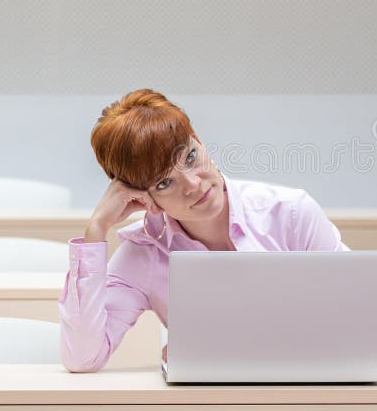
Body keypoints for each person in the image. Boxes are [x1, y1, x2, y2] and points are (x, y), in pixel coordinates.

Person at [59, 89, 349, 373]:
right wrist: (97, 228)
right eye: (164, 183)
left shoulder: (290, 213)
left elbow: (352, 315)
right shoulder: (145, 252)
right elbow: (83, 358)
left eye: (190, 157)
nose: (194, 184)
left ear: (199, 142)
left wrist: (226, 350)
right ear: (143, 198)